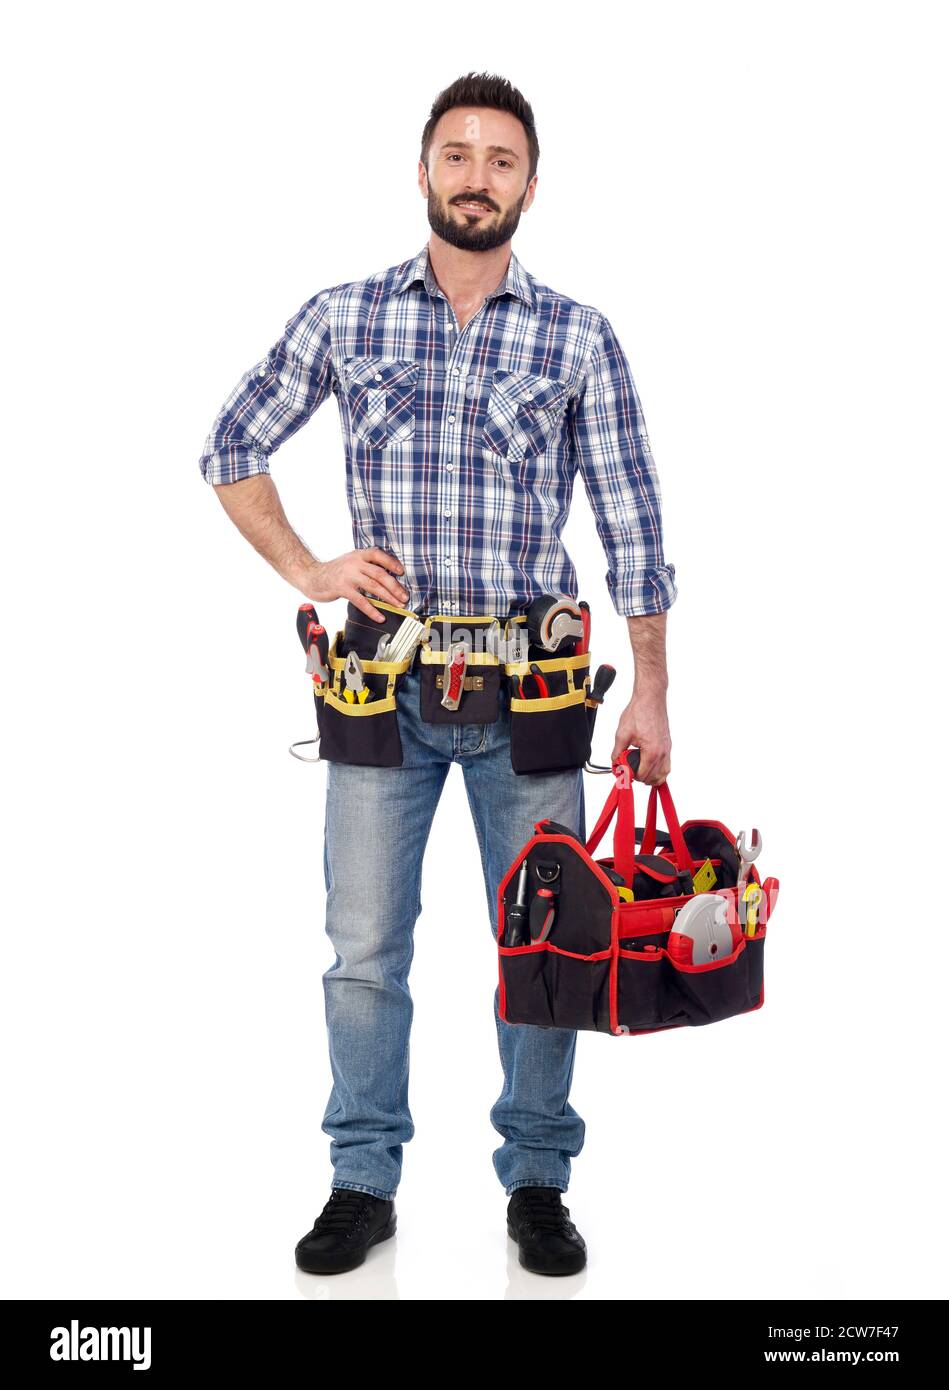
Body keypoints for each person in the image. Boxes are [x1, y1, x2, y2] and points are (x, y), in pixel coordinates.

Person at [197, 71, 676, 1278]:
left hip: (536, 699)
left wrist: (657, 690)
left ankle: (536, 1183)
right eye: (455, 154)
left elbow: (632, 521)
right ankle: (362, 1177)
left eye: (500, 159)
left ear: (530, 182)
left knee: (549, 948)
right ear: (423, 172)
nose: (476, 175)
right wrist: (309, 565)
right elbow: (230, 444)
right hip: (382, 696)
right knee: (365, 950)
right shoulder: (346, 316)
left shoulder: (578, 336)